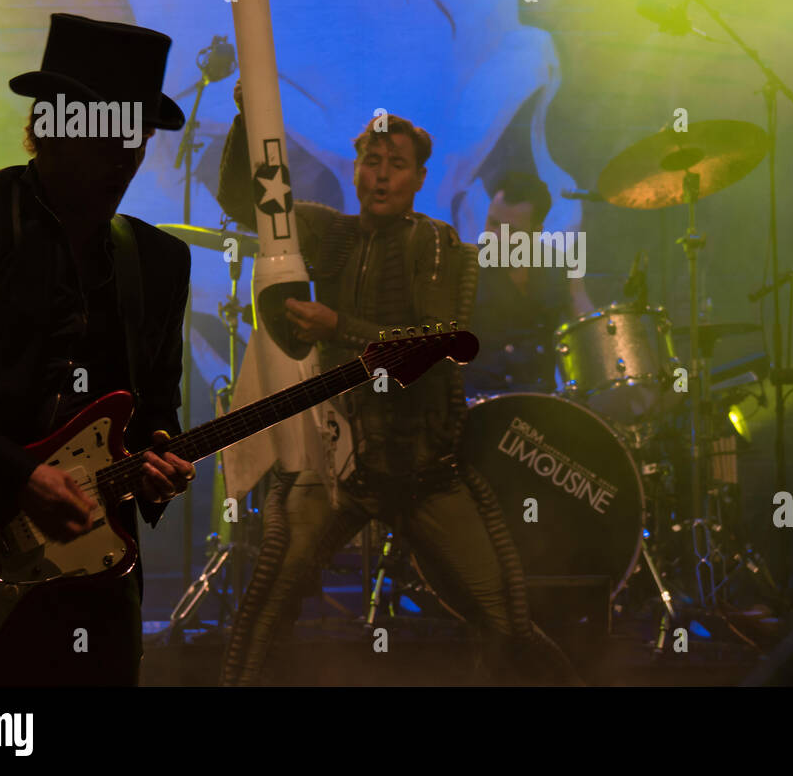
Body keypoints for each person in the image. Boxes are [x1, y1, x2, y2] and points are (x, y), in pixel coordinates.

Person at [215, 87, 578, 684]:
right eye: (372, 162)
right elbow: (247, 203)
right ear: (356, 169)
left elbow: (435, 345)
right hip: (343, 465)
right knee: (267, 601)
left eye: (396, 165)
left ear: (418, 177)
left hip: (422, 468)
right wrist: (247, 115)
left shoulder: (434, 243)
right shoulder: (328, 232)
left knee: (506, 619)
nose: (381, 176)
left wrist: (341, 327)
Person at [0, 13, 196, 686]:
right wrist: (20, 475)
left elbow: (156, 405)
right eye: (107, 131)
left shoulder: (159, 260)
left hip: (96, 567)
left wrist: (162, 457)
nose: (125, 153)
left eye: (136, 134)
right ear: (51, 126)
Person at [465, 171, 593, 397]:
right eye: (493, 223)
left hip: (541, 407)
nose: (496, 236)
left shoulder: (563, 267)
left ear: (536, 232)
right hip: (477, 406)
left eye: (511, 231)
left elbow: (591, 332)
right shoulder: (463, 265)